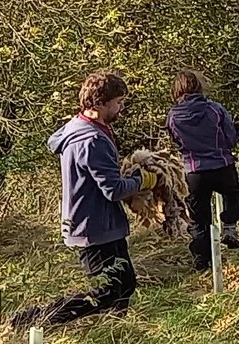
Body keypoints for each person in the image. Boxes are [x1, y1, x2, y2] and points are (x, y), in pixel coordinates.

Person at [11, 70, 160, 329]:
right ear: (100, 103)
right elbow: (112, 189)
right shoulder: (91, 139)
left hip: (102, 223)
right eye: (118, 103)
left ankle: (114, 334)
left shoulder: (80, 127)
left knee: (124, 285)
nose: (120, 108)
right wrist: (143, 182)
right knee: (105, 292)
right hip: (93, 227)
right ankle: (34, 321)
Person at [166, 70, 239, 274]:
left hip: (193, 171)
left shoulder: (172, 116)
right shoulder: (215, 110)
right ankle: (229, 227)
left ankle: (201, 260)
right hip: (222, 165)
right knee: (234, 194)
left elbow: (175, 141)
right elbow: (230, 139)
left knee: (198, 216)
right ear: (199, 87)